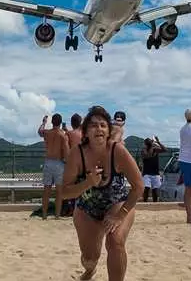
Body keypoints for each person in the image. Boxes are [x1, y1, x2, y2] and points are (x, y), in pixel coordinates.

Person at [62, 106, 143, 281]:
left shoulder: (118, 151)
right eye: (93, 125)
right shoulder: (77, 153)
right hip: (87, 209)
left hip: (117, 204)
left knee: (115, 241)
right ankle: (90, 270)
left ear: (108, 131)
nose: (98, 129)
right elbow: (64, 193)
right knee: (90, 257)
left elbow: (138, 186)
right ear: (85, 132)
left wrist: (120, 215)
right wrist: (88, 183)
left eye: (103, 125)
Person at [38, 113, 69, 219]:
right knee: (59, 191)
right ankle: (57, 215)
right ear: (60, 123)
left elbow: (39, 132)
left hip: (48, 162)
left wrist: (43, 122)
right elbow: (66, 152)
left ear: (52, 122)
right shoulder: (62, 135)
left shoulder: (47, 133)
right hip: (59, 163)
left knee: (47, 190)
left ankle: (44, 214)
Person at [141, 136, 167, 202]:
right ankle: (145, 201)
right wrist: (152, 147)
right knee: (147, 188)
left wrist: (158, 142)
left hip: (155, 173)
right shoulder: (144, 150)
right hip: (147, 173)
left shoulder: (155, 149)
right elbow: (148, 155)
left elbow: (165, 150)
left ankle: (155, 203)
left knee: (155, 189)